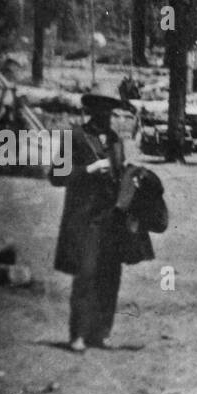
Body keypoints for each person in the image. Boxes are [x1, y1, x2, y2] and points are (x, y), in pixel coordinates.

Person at [51, 91, 131, 351]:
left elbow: (120, 175)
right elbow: (56, 176)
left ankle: (101, 333)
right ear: (91, 110)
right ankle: (77, 335)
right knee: (85, 275)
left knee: (110, 277)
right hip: (85, 220)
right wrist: (89, 169)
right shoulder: (75, 136)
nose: (105, 115)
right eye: (100, 109)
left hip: (111, 220)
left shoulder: (116, 140)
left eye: (109, 110)